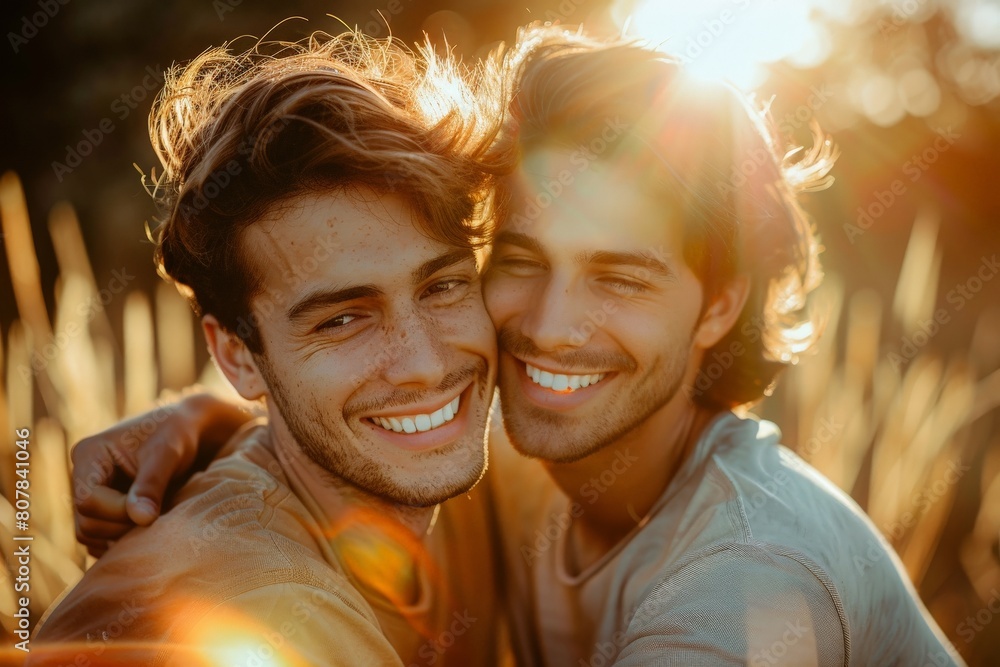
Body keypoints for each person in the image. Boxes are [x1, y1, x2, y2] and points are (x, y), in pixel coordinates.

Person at [69, 24, 965, 667]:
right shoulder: (287, 604)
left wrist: (230, 413)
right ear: (238, 352)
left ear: (718, 305)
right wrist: (217, 419)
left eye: (621, 276)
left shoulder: (741, 588)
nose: (548, 323)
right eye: (521, 260)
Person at [30, 30, 510, 667]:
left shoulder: (455, 486)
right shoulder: (262, 614)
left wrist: (210, 419)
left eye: (443, 285)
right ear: (236, 357)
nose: (424, 363)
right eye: (341, 321)